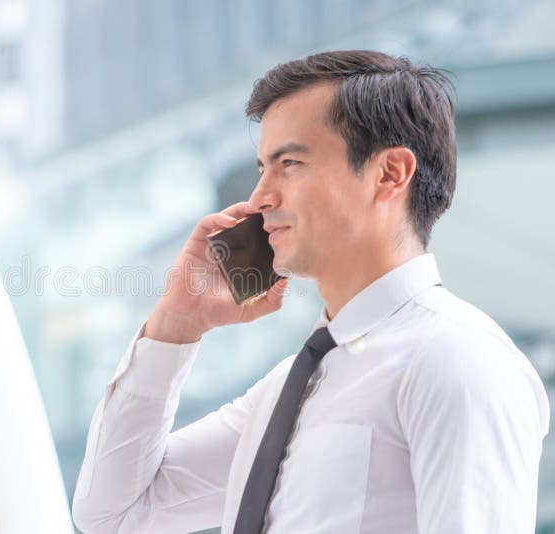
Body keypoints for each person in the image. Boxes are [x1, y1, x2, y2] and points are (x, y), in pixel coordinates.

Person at [70, 50, 550, 534]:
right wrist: (177, 321)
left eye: (291, 163)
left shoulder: (457, 359)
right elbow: (113, 513)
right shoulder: (286, 390)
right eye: (263, 168)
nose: (260, 197)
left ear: (389, 174)